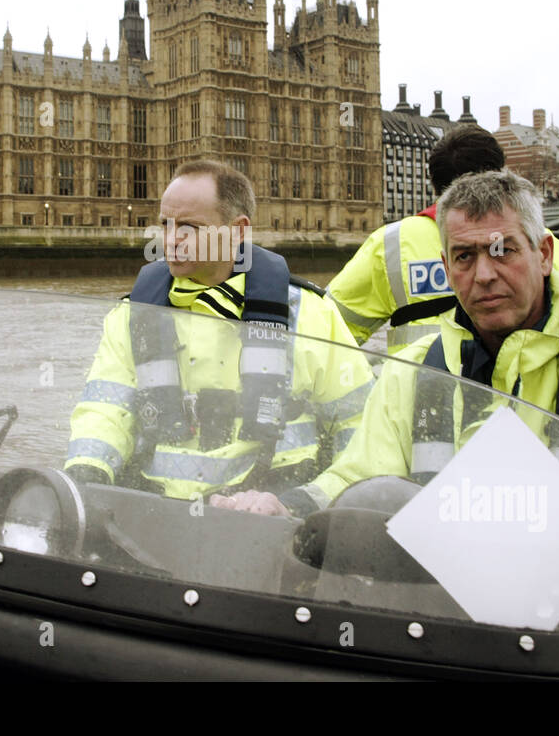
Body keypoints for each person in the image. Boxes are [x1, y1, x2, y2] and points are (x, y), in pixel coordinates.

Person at [215, 169, 559, 615]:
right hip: (433, 624)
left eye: (502, 250)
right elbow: (361, 479)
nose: (483, 274)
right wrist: (287, 505)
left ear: (545, 253)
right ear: (445, 264)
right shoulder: (412, 372)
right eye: (464, 256)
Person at [65, 160, 373, 501]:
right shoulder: (133, 313)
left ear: (238, 230)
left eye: (189, 227)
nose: (170, 239)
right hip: (156, 512)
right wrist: (84, 476)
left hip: (272, 510)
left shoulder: (307, 312)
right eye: (165, 225)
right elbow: (105, 410)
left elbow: (359, 428)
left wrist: (308, 501)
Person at [326, 127, 559, 353]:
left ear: (434, 182)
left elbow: (322, 329)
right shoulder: (532, 244)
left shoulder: (391, 243)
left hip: (417, 412)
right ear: (499, 181)